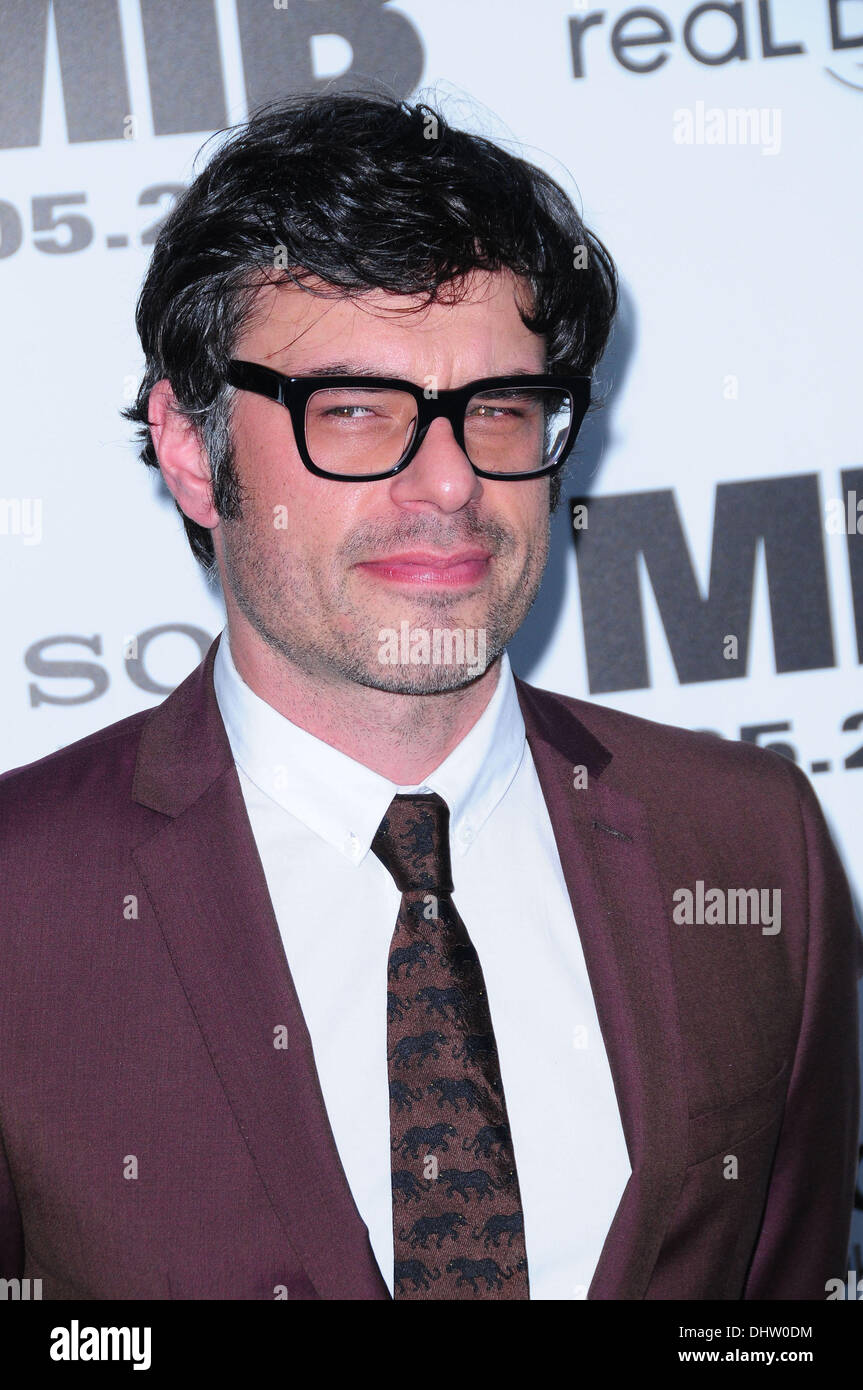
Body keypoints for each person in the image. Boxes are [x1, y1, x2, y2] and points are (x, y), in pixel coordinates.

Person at [0, 91, 859, 1301]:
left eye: (497, 408)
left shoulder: (746, 838)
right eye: (355, 411)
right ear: (194, 452)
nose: (450, 483)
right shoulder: (21, 898)